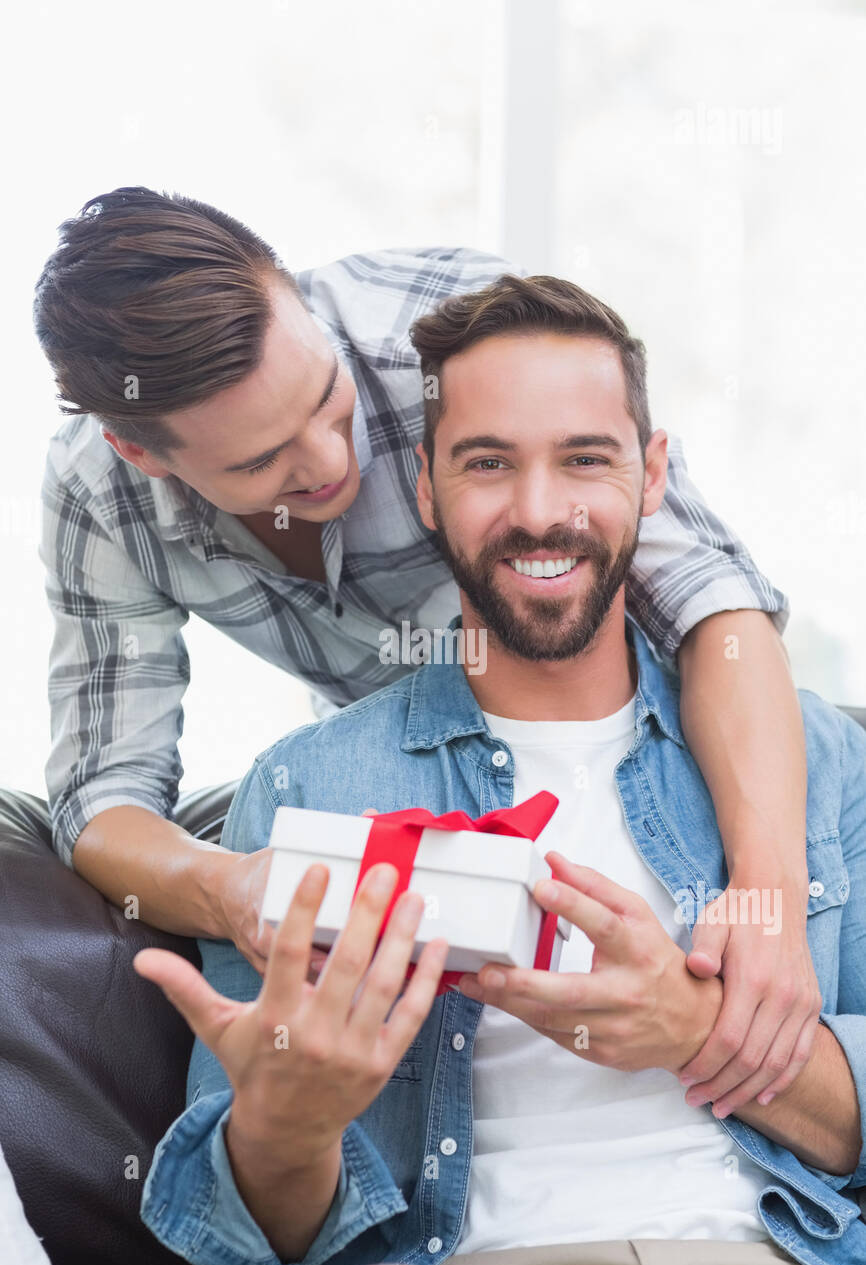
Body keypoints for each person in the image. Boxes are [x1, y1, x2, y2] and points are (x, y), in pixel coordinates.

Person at [134, 274, 866, 1265]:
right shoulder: (313, 789)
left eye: (583, 459)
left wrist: (693, 1031)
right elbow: (264, 1238)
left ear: (651, 477)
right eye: (487, 464)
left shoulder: (813, 761)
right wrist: (285, 1125)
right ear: (426, 489)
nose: (537, 512)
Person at [34, 185, 815, 1113]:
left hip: (677, 759)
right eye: (259, 463)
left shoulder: (446, 336)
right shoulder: (100, 497)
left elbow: (713, 603)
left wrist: (770, 899)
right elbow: (100, 800)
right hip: (418, 800)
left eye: (329, 401)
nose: (328, 463)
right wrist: (229, 889)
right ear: (142, 454)